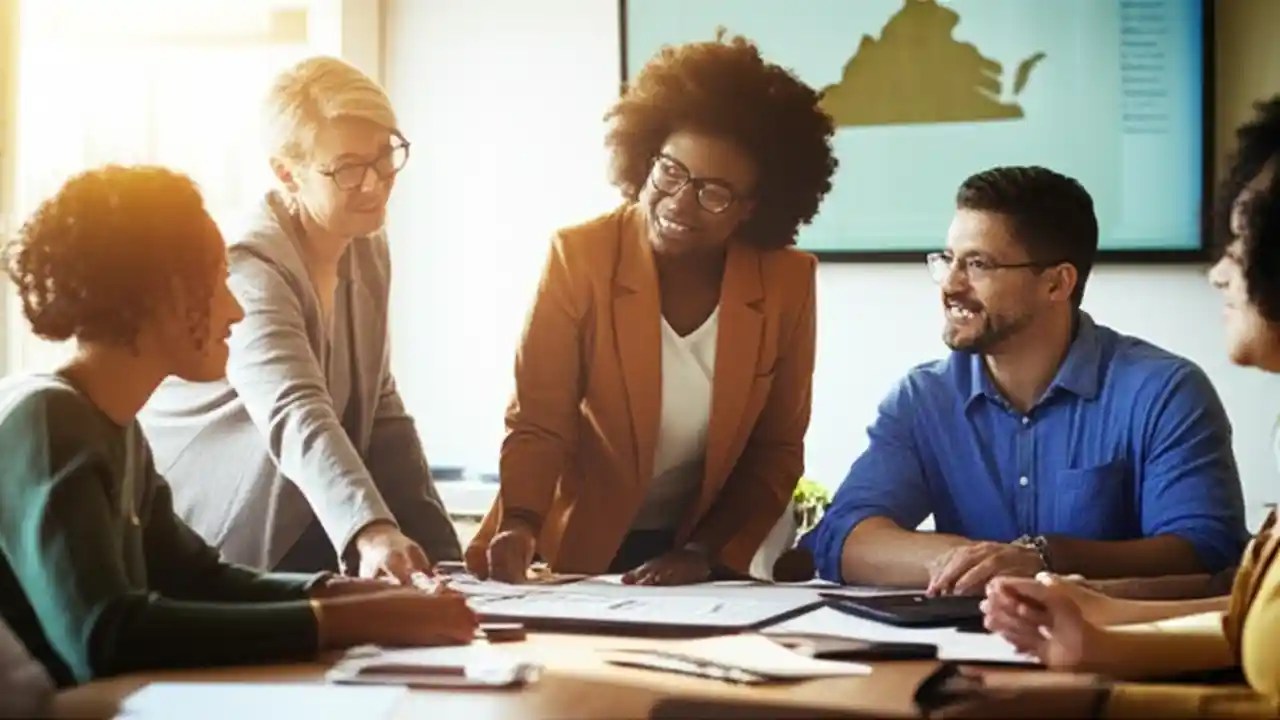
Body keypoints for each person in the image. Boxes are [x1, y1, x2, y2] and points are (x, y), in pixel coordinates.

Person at [0, 166, 477, 688]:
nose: (234, 310)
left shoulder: (118, 432)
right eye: (216, 282)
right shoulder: (48, 421)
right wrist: (352, 620)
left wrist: (355, 594)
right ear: (160, 295)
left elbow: (199, 579)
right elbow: (105, 635)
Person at [463, 34, 837, 585]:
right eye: (670, 172)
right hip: (577, 543)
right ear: (645, 157)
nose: (679, 203)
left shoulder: (787, 281)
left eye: (713, 193)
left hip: (704, 546)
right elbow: (540, 421)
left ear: (751, 207)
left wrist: (703, 552)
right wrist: (520, 521)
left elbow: (775, 448)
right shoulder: (580, 256)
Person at [800, 165, 1248, 595]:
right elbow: (841, 537)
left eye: (977, 264)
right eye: (948, 259)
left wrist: (1046, 558)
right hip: (957, 650)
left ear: (1057, 284)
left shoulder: (1164, 392)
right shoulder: (923, 399)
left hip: (1112, 654)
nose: (950, 285)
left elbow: (1207, 549)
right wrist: (972, 562)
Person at [979, 97, 1280, 717]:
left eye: (1244, 240)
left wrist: (1099, 700)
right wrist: (1099, 625)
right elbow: (1245, 620)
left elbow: (1210, 560)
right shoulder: (922, 389)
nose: (1219, 274)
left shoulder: (1164, 388)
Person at [140, 56, 459, 581]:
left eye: (385, 156)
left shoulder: (367, 248)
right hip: (227, 536)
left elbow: (380, 410)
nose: (376, 183)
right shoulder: (249, 265)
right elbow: (295, 409)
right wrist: (372, 531)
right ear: (287, 172)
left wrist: (450, 558)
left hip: (318, 522)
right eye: (349, 168)